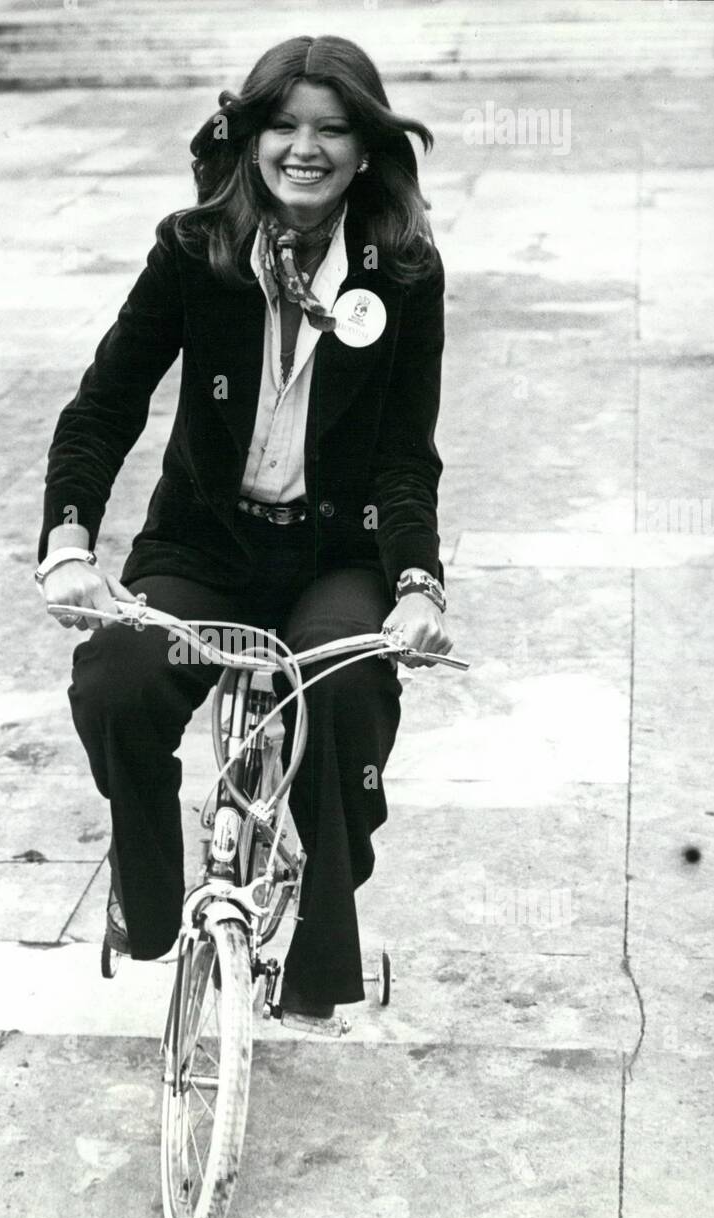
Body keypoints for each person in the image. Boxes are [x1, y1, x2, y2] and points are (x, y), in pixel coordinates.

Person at [35, 34, 453, 1028]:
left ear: (364, 149)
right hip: (203, 547)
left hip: (336, 553)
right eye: (283, 125)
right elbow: (104, 407)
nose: (303, 149)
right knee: (114, 683)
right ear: (250, 135)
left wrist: (416, 584)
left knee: (345, 689)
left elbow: (403, 452)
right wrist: (66, 545)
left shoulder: (400, 273)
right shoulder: (193, 250)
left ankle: (320, 942)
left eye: (331, 129)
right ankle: (144, 893)